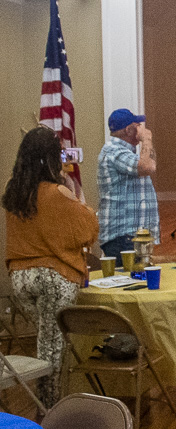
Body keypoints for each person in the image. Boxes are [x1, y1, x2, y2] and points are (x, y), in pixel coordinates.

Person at [3, 126, 99, 409]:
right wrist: (69, 190)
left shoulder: (13, 192)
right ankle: (49, 410)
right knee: (52, 345)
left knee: (45, 339)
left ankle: (43, 404)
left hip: (20, 278)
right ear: (50, 158)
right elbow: (86, 227)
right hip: (52, 277)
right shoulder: (57, 192)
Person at [97, 108, 159, 263]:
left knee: (138, 282)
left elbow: (148, 164)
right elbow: (148, 167)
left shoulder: (124, 153)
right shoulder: (114, 151)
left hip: (131, 237)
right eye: (137, 125)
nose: (141, 128)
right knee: (128, 283)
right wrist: (147, 139)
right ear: (128, 130)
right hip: (123, 237)